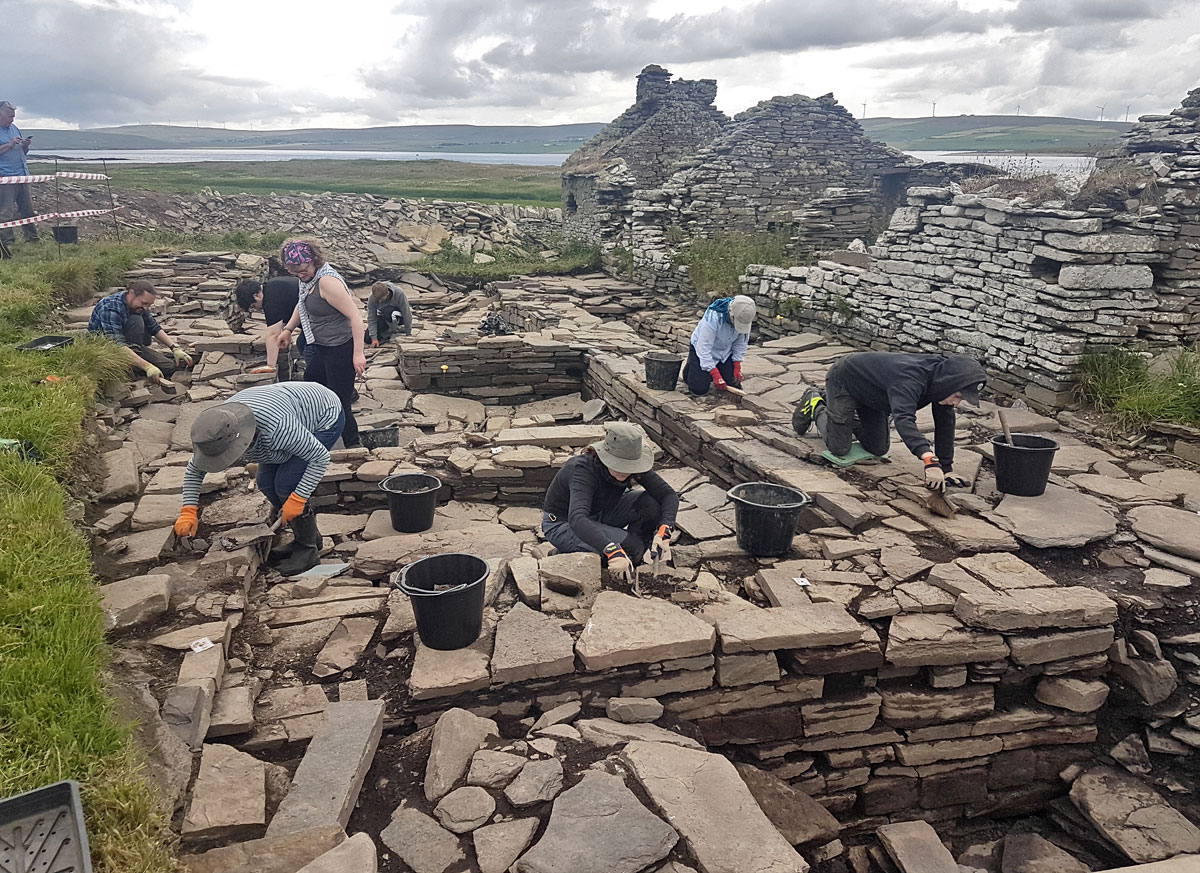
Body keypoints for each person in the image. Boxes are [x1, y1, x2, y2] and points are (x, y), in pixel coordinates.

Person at [173, 382, 345, 576]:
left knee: (286, 484)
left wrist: (298, 499)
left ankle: (308, 550)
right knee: (265, 482)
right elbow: (194, 470)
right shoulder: (214, 431)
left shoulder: (278, 429)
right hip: (284, 414)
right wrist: (188, 511)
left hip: (323, 415)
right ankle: (309, 537)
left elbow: (319, 457)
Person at [791, 352, 988, 492]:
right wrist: (929, 459)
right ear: (950, 384)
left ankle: (845, 417)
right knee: (839, 447)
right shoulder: (910, 379)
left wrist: (946, 468)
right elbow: (904, 419)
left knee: (878, 448)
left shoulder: (943, 383)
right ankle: (816, 403)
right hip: (846, 381)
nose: (956, 402)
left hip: (876, 397)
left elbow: (946, 425)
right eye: (957, 396)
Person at [541, 422, 680, 588]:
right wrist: (612, 550)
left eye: (628, 466)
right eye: (618, 465)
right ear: (605, 456)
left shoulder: (633, 462)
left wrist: (666, 527)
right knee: (631, 550)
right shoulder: (581, 471)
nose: (624, 471)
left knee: (650, 504)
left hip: (603, 512)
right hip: (563, 524)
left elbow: (668, 495)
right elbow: (577, 518)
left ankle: (634, 549)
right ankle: (568, 552)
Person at [276, 239, 367, 448]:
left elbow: (356, 318)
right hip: (318, 345)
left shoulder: (327, 282)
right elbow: (302, 302)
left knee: (339, 400)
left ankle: (353, 445)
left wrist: (358, 354)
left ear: (314, 260)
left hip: (341, 348)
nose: (300, 275)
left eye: (303, 270)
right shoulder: (307, 279)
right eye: (295, 272)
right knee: (313, 391)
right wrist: (288, 329)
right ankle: (321, 438)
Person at [88, 279, 193, 380]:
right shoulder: (111, 308)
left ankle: (135, 360)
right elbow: (117, 344)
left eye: (148, 305)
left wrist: (174, 348)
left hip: (132, 345)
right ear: (132, 293)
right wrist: (147, 366)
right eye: (144, 303)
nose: (146, 308)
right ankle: (131, 366)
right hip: (107, 349)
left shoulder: (138, 306)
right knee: (136, 321)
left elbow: (154, 327)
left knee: (169, 367)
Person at [681, 295, 756, 395]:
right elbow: (704, 348)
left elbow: (740, 343)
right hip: (702, 351)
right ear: (731, 314)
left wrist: (737, 365)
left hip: (725, 352)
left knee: (734, 384)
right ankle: (691, 369)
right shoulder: (713, 317)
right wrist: (715, 374)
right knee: (699, 389)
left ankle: (713, 369)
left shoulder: (745, 316)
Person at [235, 275, 304, 376]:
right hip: (322, 318)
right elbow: (281, 320)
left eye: (254, 306)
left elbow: (273, 334)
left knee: (308, 350)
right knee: (302, 344)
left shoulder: (271, 300)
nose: (258, 309)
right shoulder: (273, 285)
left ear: (256, 296)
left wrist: (270, 366)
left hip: (321, 324)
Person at [0, 101, 39, 245]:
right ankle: (7, 241)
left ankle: (32, 238)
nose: (12, 120)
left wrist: (25, 146)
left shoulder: (15, 128)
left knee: (28, 210)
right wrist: (9, 144)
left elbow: (23, 153)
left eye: (14, 116)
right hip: (5, 177)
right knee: (6, 211)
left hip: (22, 174)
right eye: (10, 116)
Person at [367, 281, 413, 346]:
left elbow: (406, 313)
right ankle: (388, 332)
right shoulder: (372, 298)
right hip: (384, 316)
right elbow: (371, 318)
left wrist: (408, 332)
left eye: (381, 299)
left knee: (388, 311)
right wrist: (373, 338)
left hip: (398, 317)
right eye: (377, 299)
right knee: (367, 338)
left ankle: (395, 331)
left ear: (387, 293)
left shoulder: (399, 293)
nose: (379, 301)